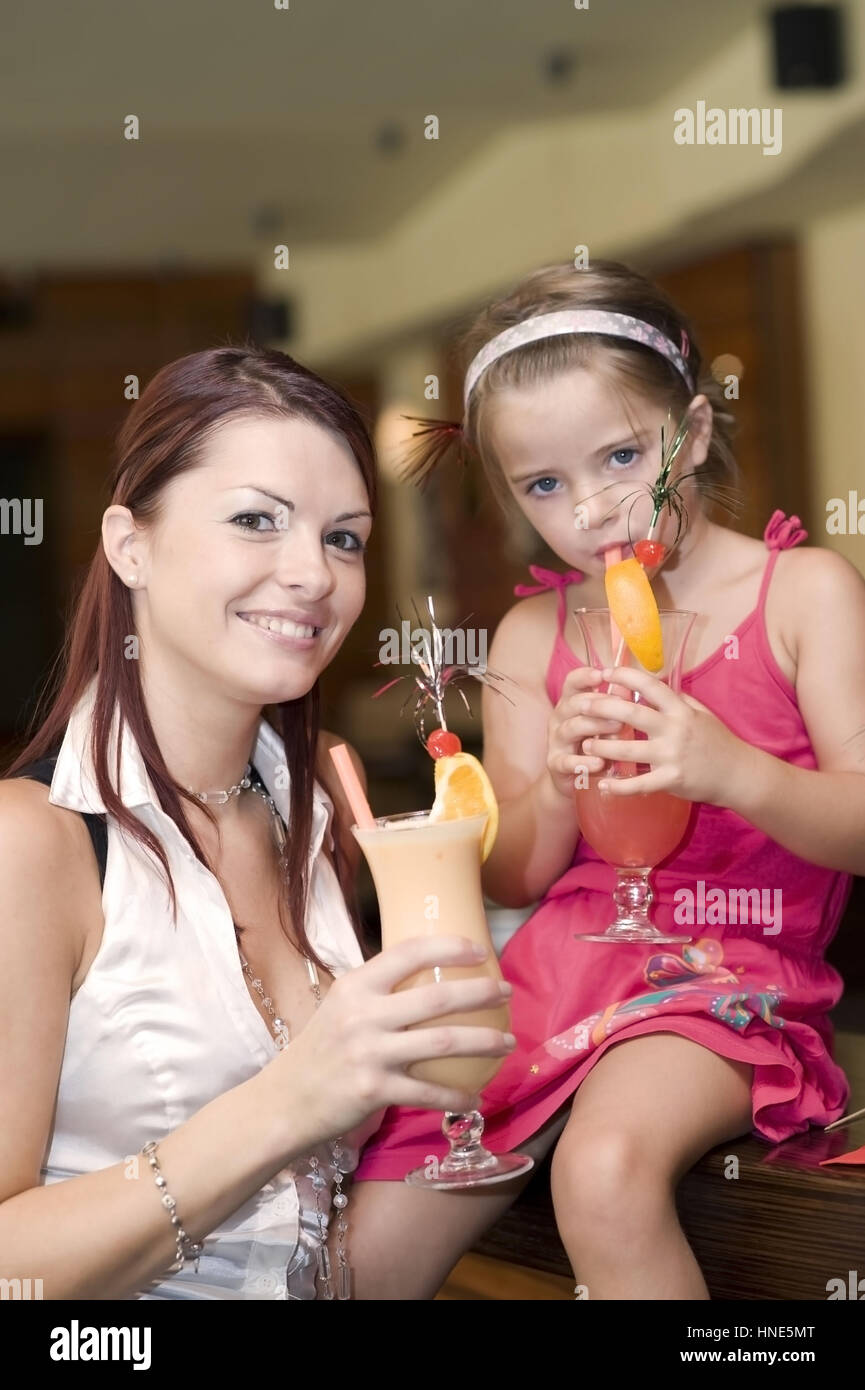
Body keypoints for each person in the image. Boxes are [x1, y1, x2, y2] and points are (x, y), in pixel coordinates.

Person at [347, 260, 865, 1300]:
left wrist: (731, 769)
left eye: (623, 455)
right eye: (543, 483)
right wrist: (558, 783)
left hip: (726, 974)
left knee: (603, 1168)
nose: (589, 508)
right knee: (362, 1238)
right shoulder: (535, 632)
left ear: (697, 432)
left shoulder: (801, 593)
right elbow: (516, 875)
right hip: (559, 969)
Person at [0, 345, 516, 1301]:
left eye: (344, 538)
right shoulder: (33, 844)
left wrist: (558, 1066)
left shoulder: (309, 811)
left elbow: (315, 1260)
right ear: (130, 545)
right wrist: (287, 1102)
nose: (312, 575)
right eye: (255, 521)